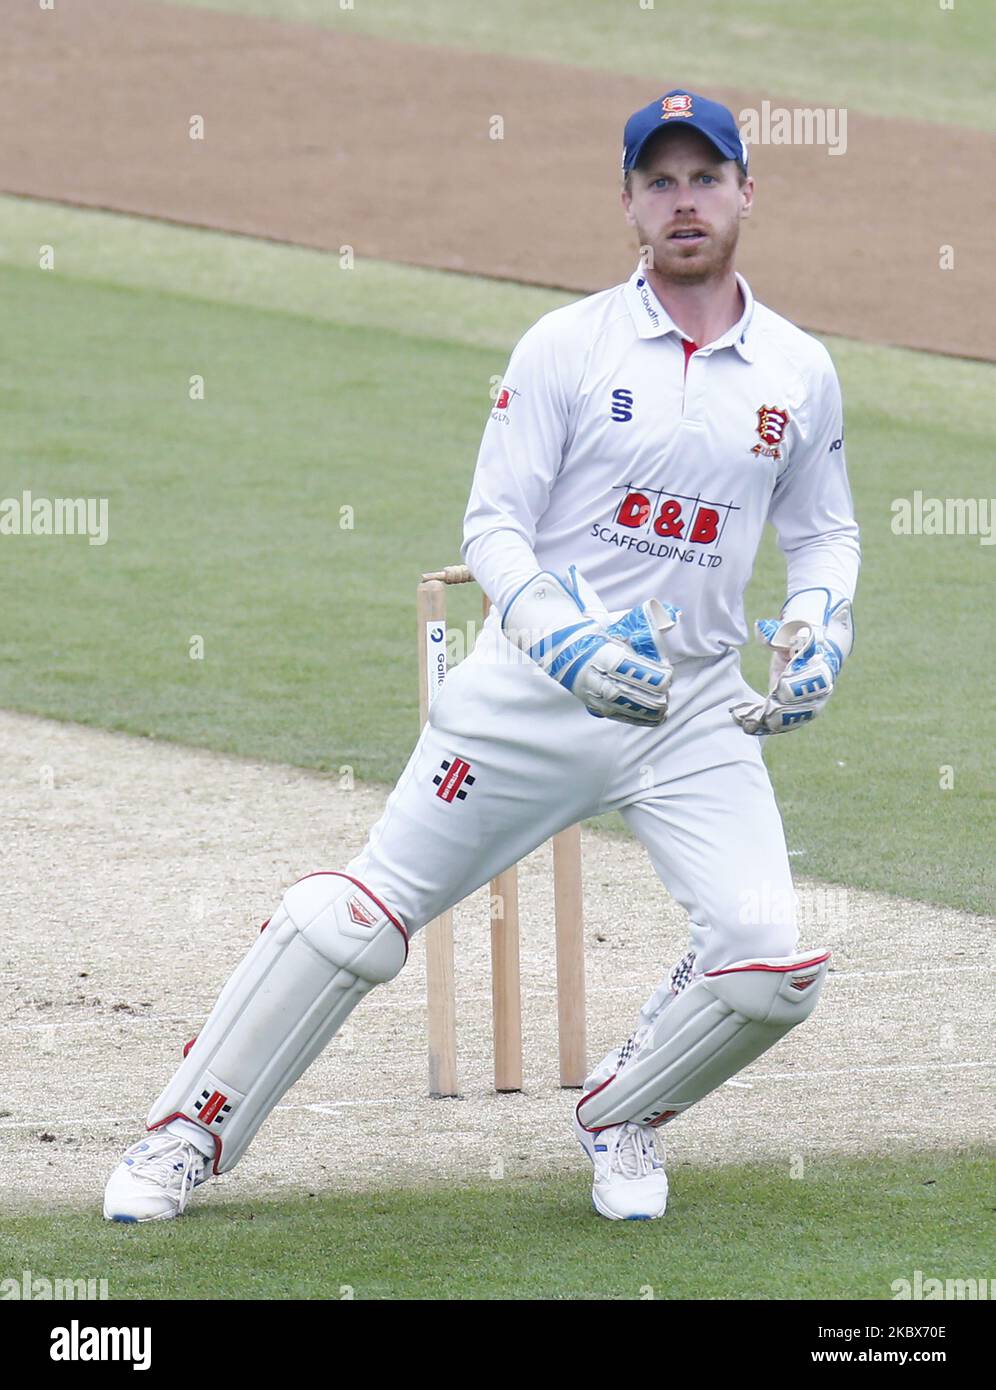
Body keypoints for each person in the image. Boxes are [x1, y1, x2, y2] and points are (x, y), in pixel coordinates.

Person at [103, 90, 859, 1223]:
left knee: (766, 962)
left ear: (747, 191)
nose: (684, 199)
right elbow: (493, 528)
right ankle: (187, 1133)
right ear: (629, 205)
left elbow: (825, 531)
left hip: (694, 708)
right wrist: (567, 642)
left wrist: (818, 629)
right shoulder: (565, 345)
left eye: (707, 177)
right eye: (661, 182)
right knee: (352, 920)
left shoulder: (798, 370)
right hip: (529, 696)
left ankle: (624, 1114)